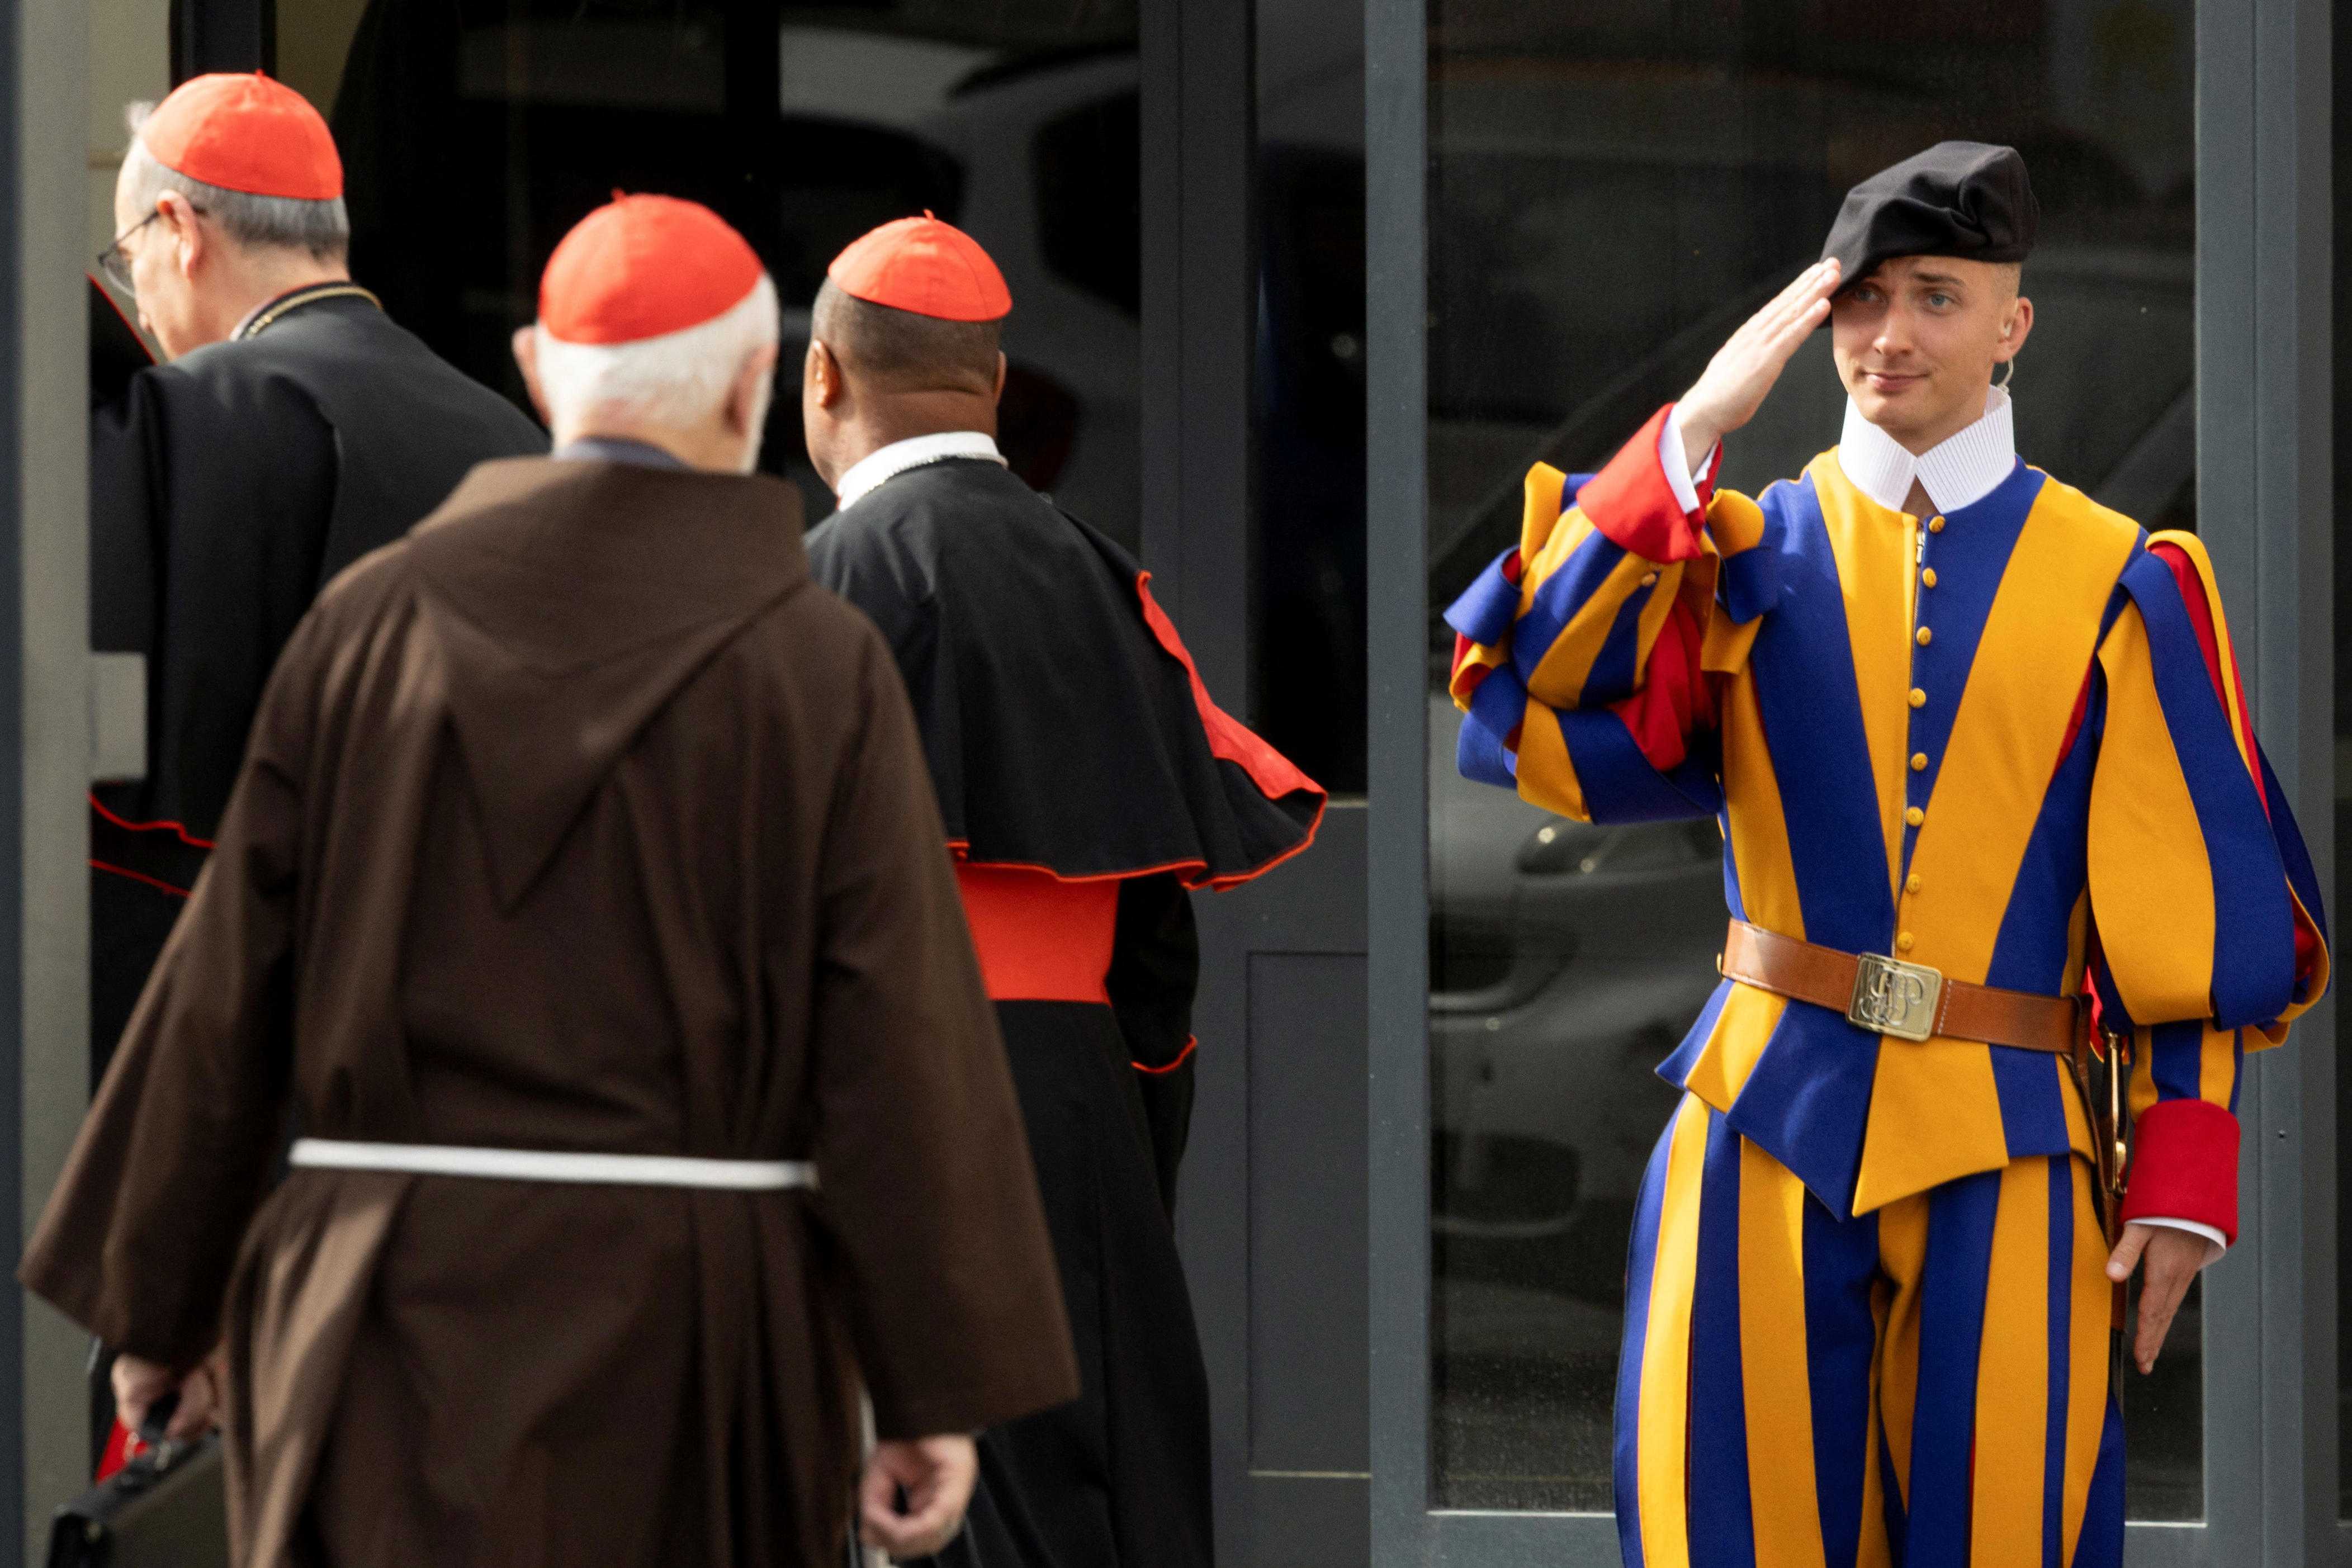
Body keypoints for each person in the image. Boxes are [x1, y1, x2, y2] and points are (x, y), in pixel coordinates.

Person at [25, 192, 1079, 1567]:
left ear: (535, 371)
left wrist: (166, 1306)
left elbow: (231, 983)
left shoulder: (367, 628)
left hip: (385, 1319)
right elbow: (895, 1034)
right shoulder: (818, 670)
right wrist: (934, 1385)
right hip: (701, 1339)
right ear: (760, 384)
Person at [1444, 142, 2327, 1566]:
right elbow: (1530, 690)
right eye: (1860, 298)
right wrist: (1692, 431)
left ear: (2010, 324)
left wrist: (2183, 1171)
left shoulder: (2124, 581)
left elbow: (2194, 911)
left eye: (1935, 294)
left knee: (2010, 1539)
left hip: (2019, 1144)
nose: (1890, 331)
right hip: (1756, 1125)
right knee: (1720, 1529)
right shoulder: (1731, 548)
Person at [801, 216, 1327, 1568]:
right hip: (1071, 1102)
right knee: (1091, 1501)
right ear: (994, 382)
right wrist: (1119, 1148)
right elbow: (1157, 949)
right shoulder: (1102, 577)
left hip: (871, 1098)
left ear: (823, 378)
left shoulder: (813, 587)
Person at [88, 72, 545, 1087]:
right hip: (473, 1016)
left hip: (248, 1021)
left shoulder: (173, 423)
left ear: (179, 228)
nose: (143, 305)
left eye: (131, 263)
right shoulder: (509, 432)